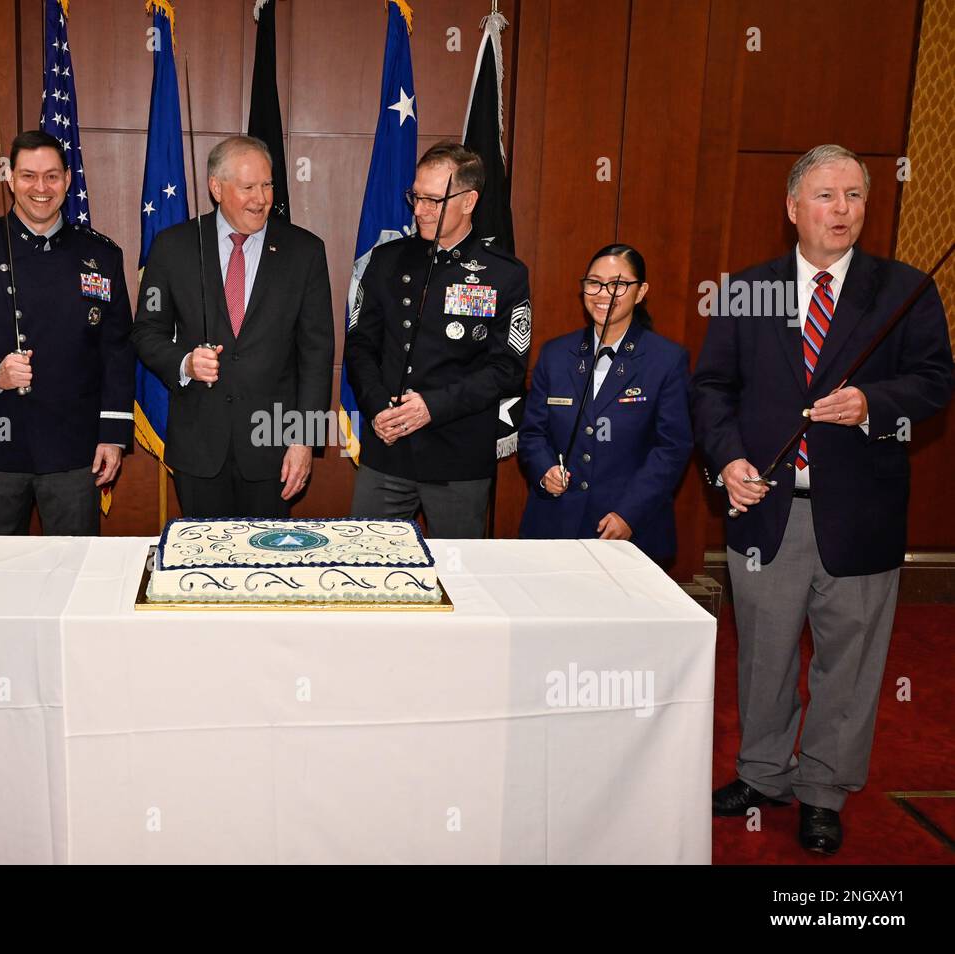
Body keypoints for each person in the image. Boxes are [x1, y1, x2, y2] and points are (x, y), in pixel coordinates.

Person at [693, 144, 953, 855]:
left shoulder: (901, 290)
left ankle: (824, 789)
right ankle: (764, 772)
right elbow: (712, 389)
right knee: (764, 656)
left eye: (855, 196)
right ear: (792, 209)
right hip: (767, 508)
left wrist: (873, 401)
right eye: (826, 196)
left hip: (861, 514)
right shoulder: (749, 290)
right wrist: (729, 458)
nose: (843, 210)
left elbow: (936, 382)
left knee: (850, 661)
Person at [0, 131, 134, 534]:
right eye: (29, 176)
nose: (41, 188)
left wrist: (114, 435)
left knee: (73, 577)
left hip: (74, 450)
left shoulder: (102, 255)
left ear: (68, 180)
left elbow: (117, 350)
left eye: (52, 176)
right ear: (11, 178)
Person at [131, 135, 333, 518]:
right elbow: (146, 331)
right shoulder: (173, 247)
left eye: (268, 184)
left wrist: (305, 440)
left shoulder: (305, 251)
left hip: (273, 445)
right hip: (198, 446)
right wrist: (186, 363)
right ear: (216, 188)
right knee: (204, 563)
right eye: (248, 187)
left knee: (265, 565)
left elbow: (317, 355)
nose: (261, 198)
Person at [344, 141, 529, 538]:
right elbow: (360, 346)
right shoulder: (386, 260)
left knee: (459, 579)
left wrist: (433, 407)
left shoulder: (504, 274)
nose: (419, 209)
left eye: (433, 199)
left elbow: (507, 369)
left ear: (469, 201)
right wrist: (378, 408)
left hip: (456, 458)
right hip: (387, 450)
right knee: (367, 566)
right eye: (416, 196)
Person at [517, 244, 692, 564]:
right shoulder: (555, 355)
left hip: (627, 529)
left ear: (640, 292)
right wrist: (545, 472)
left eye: (618, 284)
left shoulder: (666, 360)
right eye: (594, 283)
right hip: (555, 524)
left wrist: (630, 514)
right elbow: (532, 434)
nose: (603, 293)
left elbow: (672, 448)